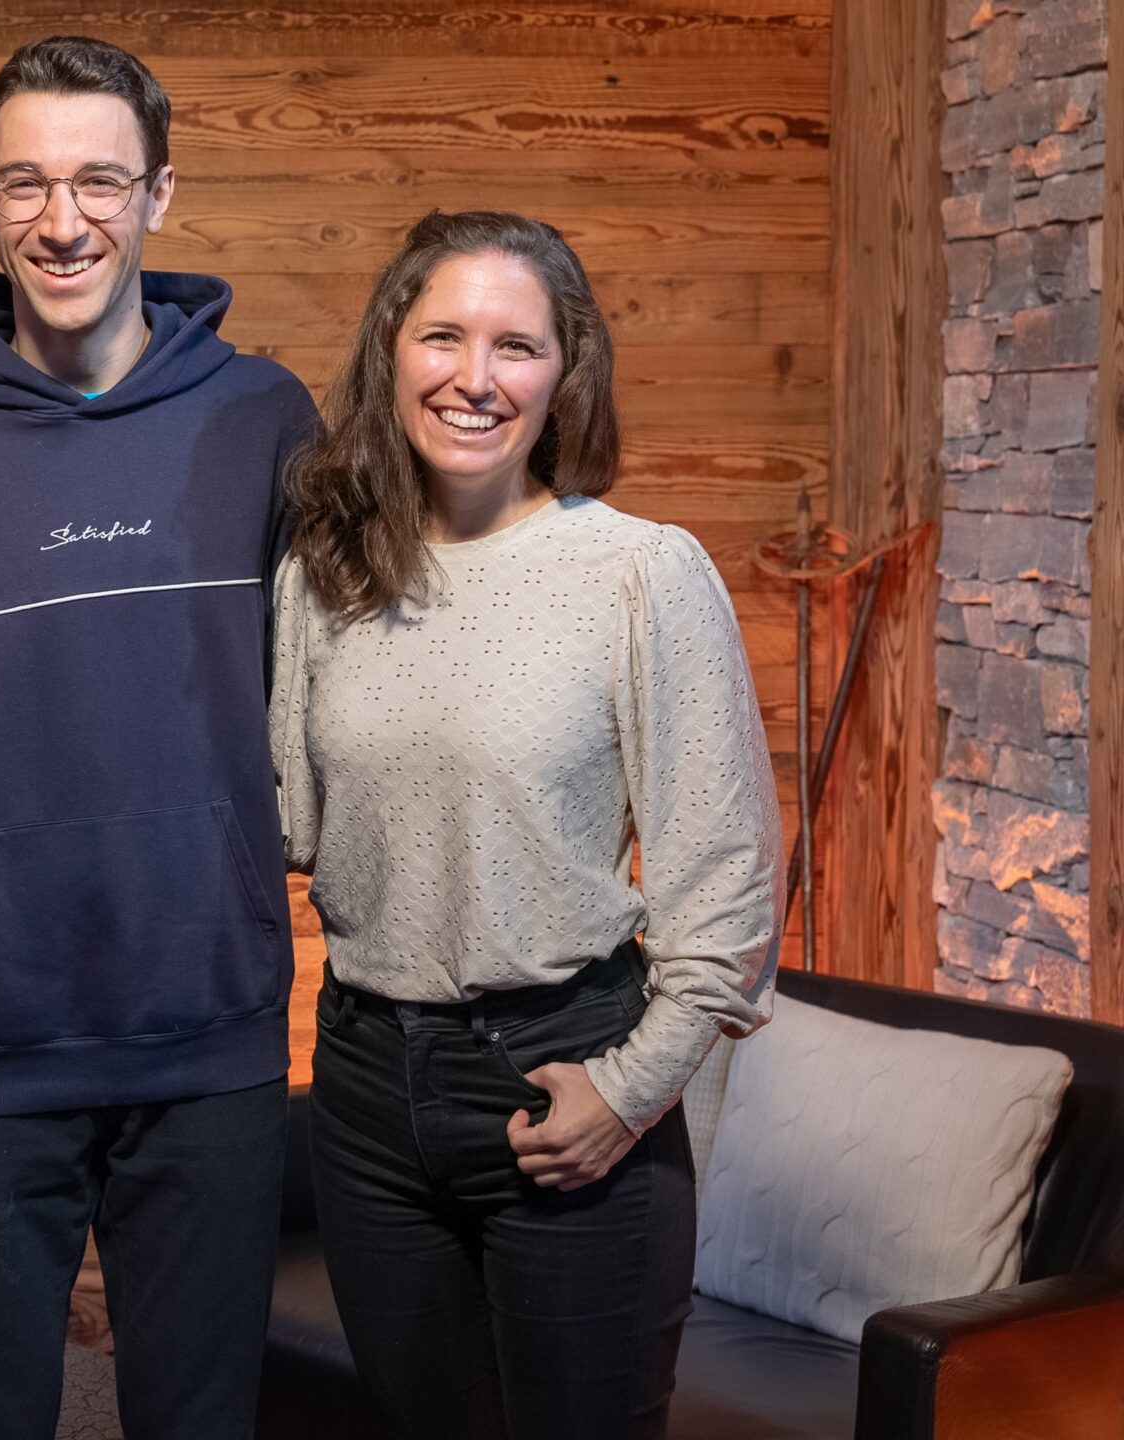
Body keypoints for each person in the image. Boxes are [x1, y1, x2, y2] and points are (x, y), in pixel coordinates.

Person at [0, 36, 320, 1440]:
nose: (62, 220)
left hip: (212, 1038)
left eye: (100, 181)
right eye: (25, 184)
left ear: (161, 192)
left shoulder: (266, 421)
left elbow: (345, 680)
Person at [270, 209, 783, 1440]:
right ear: (392, 351)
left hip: (563, 1074)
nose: (473, 378)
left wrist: (629, 1090)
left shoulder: (637, 573)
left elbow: (726, 886)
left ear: (566, 375)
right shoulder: (324, 577)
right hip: (361, 1091)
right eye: (443, 336)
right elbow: (289, 819)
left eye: (516, 346)